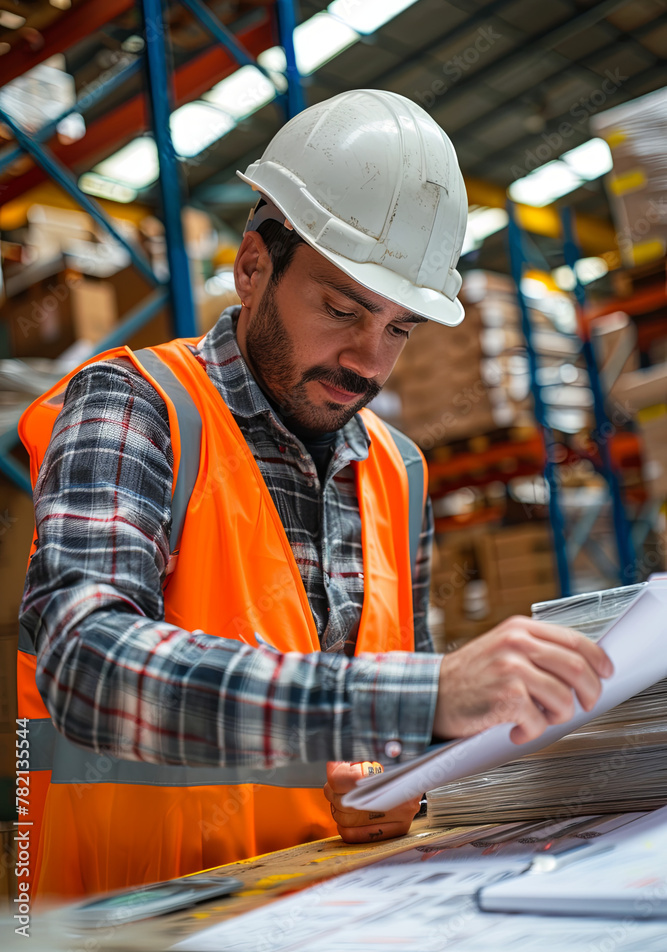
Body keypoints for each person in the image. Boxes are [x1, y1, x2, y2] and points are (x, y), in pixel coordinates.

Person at [18, 89, 612, 900]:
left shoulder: (396, 469)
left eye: (399, 328)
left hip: (329, 899)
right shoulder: (135, 406)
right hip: (130, 909)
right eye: (341, 308)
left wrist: (404, 777)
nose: (368, 361)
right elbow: (87, 666)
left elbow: (386, 717)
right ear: (254, 267)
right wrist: (424, 700)